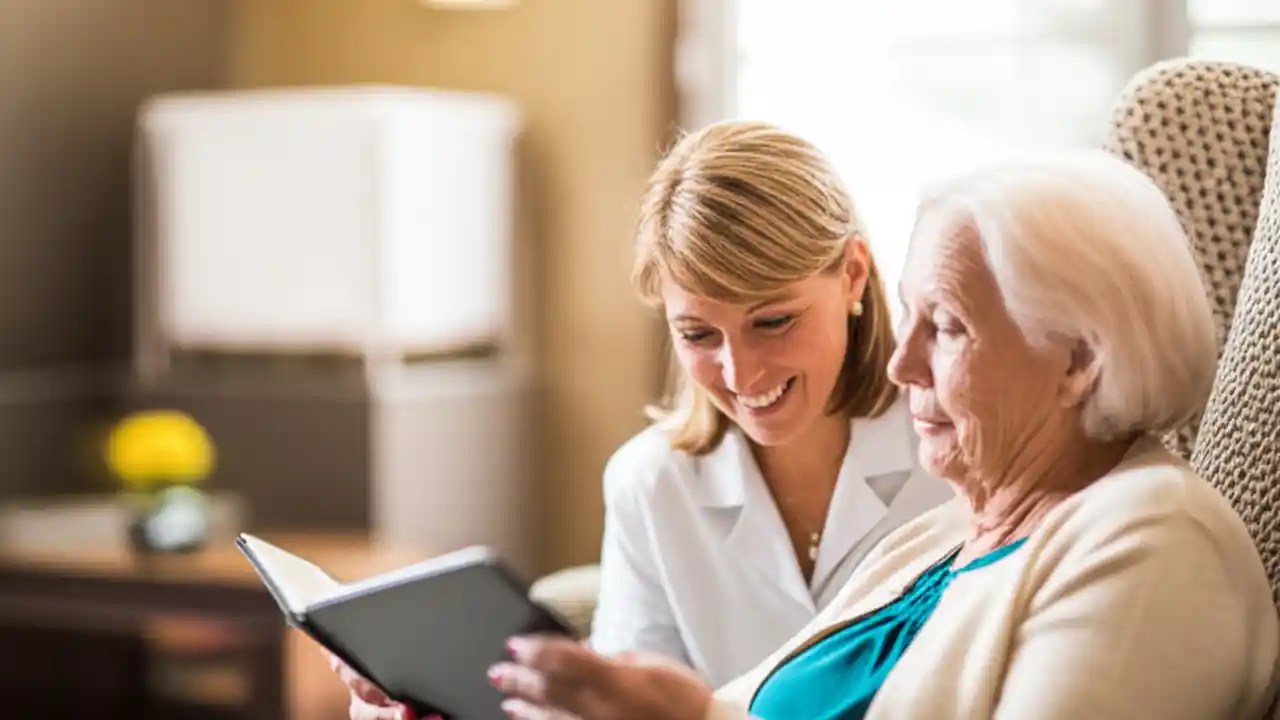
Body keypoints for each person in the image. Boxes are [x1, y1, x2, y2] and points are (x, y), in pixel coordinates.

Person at [487, 150, 1280, 720]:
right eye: (914, 316)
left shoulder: (1154, 539)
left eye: (947, 328)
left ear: (1075, 361)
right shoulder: (945, 538)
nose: (901, 364)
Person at [338, 122, 952, 720]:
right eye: (698, 334)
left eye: (773, 322)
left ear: (851, 275)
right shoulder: (651, 482)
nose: (740, 375)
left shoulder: (961, 457)